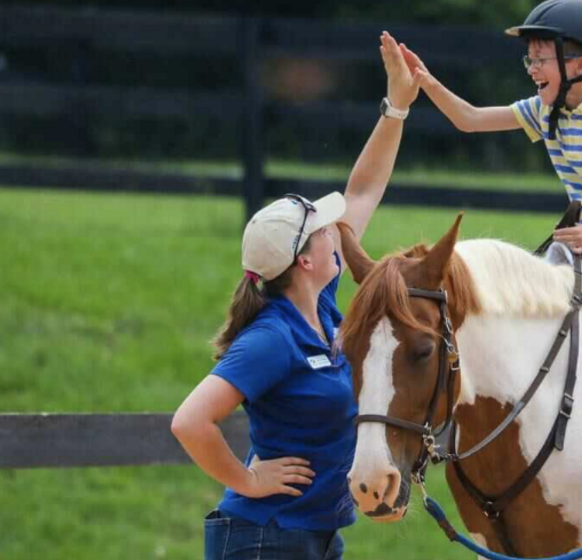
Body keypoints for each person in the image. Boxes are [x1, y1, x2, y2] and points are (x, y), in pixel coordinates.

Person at [170, 31, 419, 560]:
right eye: (328, 231)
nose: (341, 232)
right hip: (266, 538)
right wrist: (247, 478)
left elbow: (363, 190)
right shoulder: (272, 339)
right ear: (303, 260)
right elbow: (189, 422)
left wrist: (396, 105)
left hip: (315, 538)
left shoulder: (322, 306)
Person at [400, 0, 582, 352]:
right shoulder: (544, 110)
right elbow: (470, 120)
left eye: (541, 59)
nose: (531, 68)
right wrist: (425, 81)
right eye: (530, 58)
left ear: (580, 65)